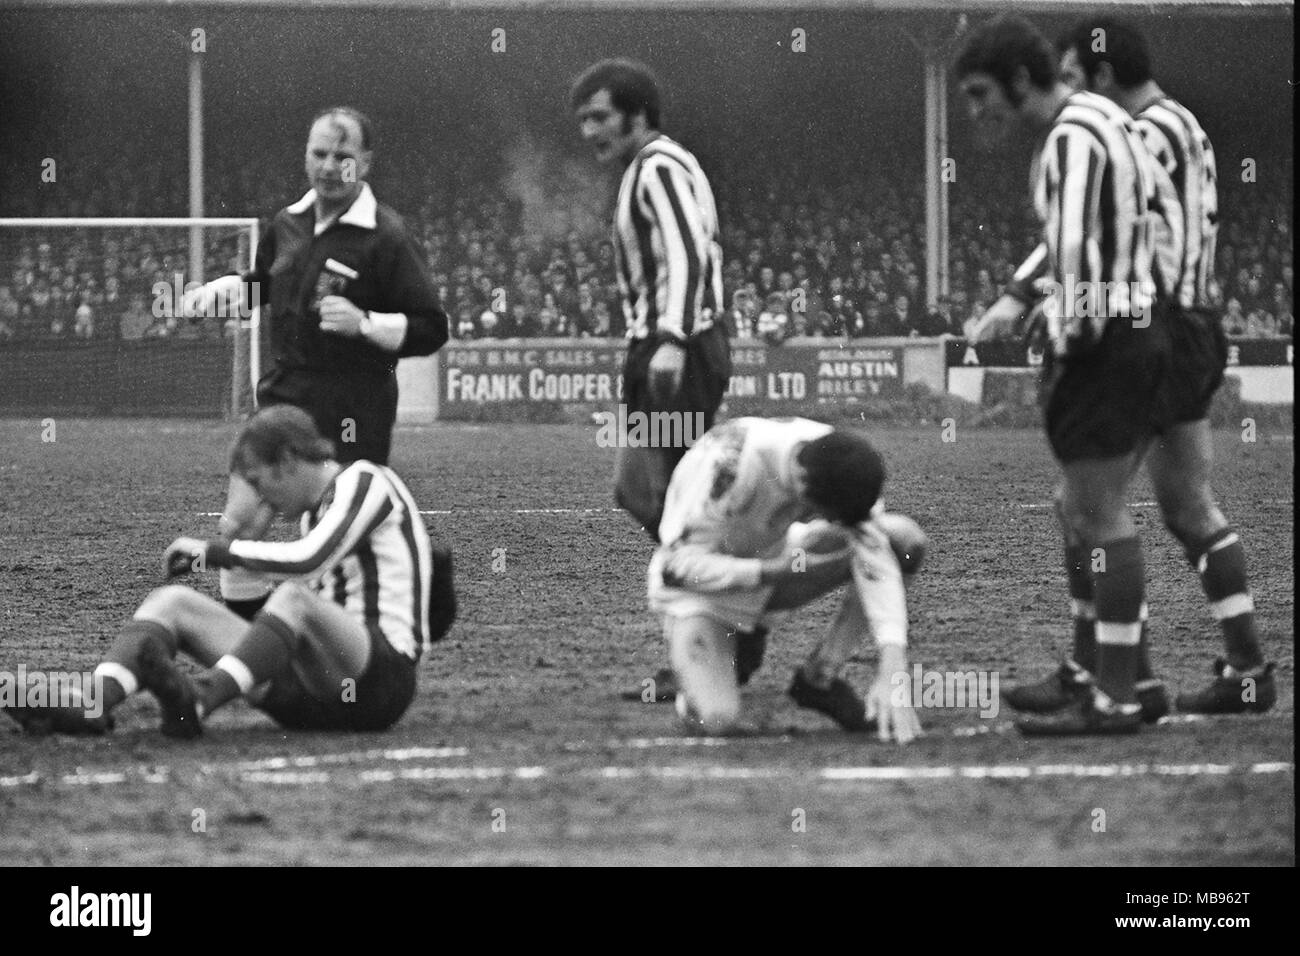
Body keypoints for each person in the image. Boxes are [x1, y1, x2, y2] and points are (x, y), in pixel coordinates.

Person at [1002, 19, 1276, 720]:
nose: (1064, 91)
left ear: (1096, 75)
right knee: (1186, 504)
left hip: (1160, 324)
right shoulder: (1178, 122)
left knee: (1085, 506)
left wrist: (1023, 291)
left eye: (1069, 75)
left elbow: (1100, 221)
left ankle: (1111, 677)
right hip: (1191, 323)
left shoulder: (1136, 133)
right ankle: (1245, 668)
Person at [957, 15, 1169, 735]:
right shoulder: (1098, 119)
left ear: (1021, 78)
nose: (977, 110)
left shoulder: (1071, 135)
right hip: (1135, 330)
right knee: (1075, 504)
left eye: (982, 91)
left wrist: (1069, 334)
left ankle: (1114, 696)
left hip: (1105, 340)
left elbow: (1074, 242)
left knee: (1098, 511)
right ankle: (1103, 673)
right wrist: (1020, 297)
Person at [1, 406, 453, 738]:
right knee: (173, 603)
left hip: (381, 684)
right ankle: (93, 702)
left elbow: (307, 561)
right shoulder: (311, 516)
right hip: (312, 696)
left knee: (295, 596)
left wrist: (220, 550)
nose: (259, 498)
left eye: (258, 483)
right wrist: (239, 537)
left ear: (289, 461)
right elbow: (257, 620)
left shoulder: (366, 481)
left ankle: (199, 699)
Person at [182, 106, 450, 623]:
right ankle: (250, 650)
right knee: (240, 526)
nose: (329, 166)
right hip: (285, 398)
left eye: (343, 156)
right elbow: (264, 283)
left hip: (355, 406)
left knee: (333, 546)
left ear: (365, 163)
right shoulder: (287, 224)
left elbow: (431, 327)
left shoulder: (388, 238)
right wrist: (218, 293)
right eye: (319, 153)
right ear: (306, 156)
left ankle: (364, 636)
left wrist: (366, 322)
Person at [646, 417, 926, 743]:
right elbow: (675, 568)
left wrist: (893, 665)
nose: (830, 521)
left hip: (781, 564)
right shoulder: (727, 465)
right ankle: (729, 648)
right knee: (717, 719)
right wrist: (774, 571)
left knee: (901, 540)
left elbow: (873, 556)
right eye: (825, 514)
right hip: (703, 594)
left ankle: (819, 677)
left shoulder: (838, 461)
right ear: (802, 484)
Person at [570, 59, 732, 540]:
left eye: (599, 117)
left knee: (667, 489)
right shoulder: (648, 167)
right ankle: (708, 581)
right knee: (640, 489)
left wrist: (673, 340)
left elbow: (686, 253)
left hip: (679, 346)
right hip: (662, 345)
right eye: (582, 120)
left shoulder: (658, 167)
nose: (588, 130)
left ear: (637, 114)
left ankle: (720, 587)